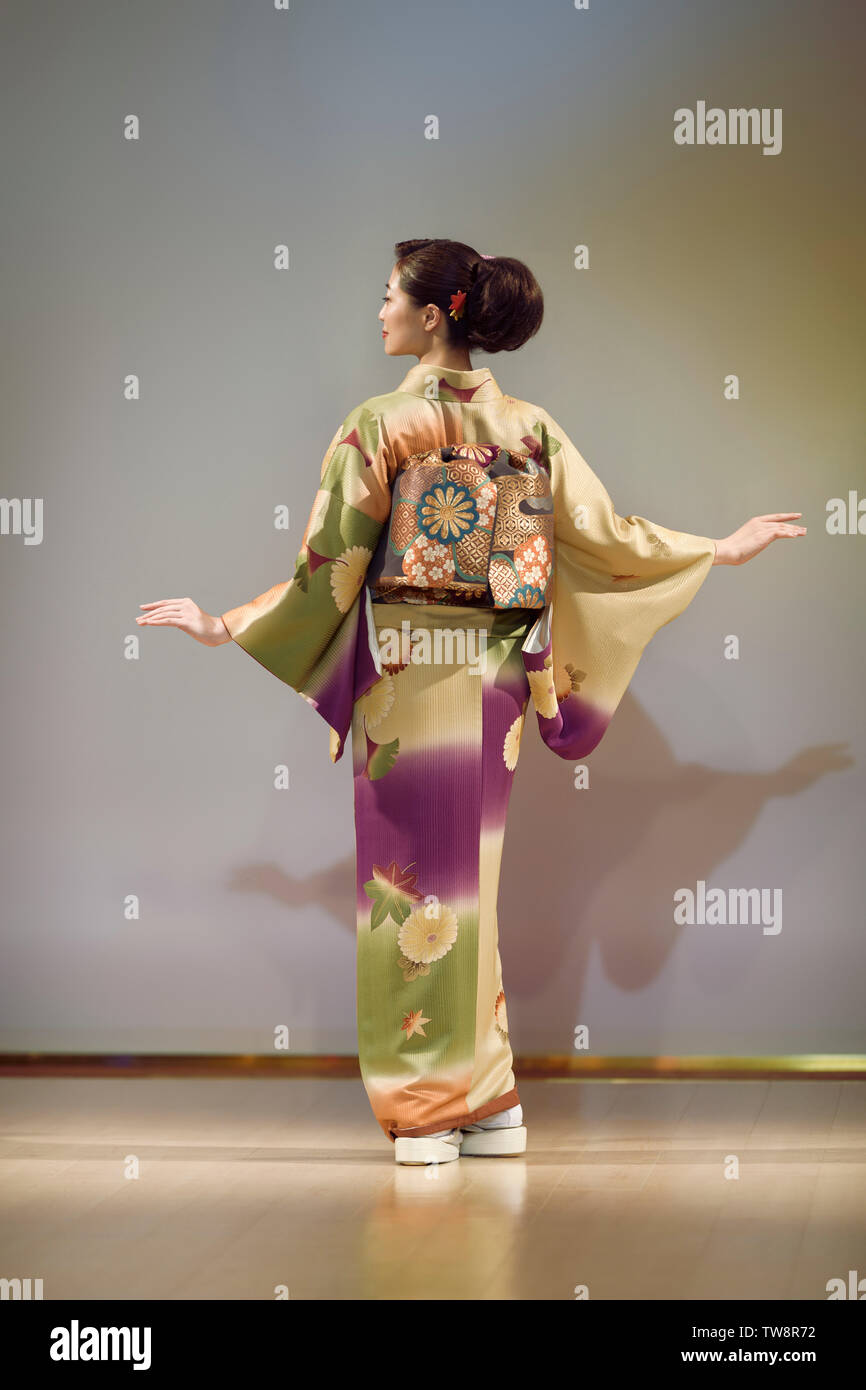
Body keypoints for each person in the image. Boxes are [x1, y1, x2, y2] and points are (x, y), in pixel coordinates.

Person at [137, 238, 806, 1166]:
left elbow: (329, 569)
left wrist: (230, 623)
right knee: (466, 884)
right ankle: (488, 1099)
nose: (377, 313)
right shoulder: (530, 427)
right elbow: (605, 534)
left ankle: (425, 1108)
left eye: (387, 297)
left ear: (434, 313)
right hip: (491, 673)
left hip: (410, 673)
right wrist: (714, 549)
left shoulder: (380, 423)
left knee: (408, 887)